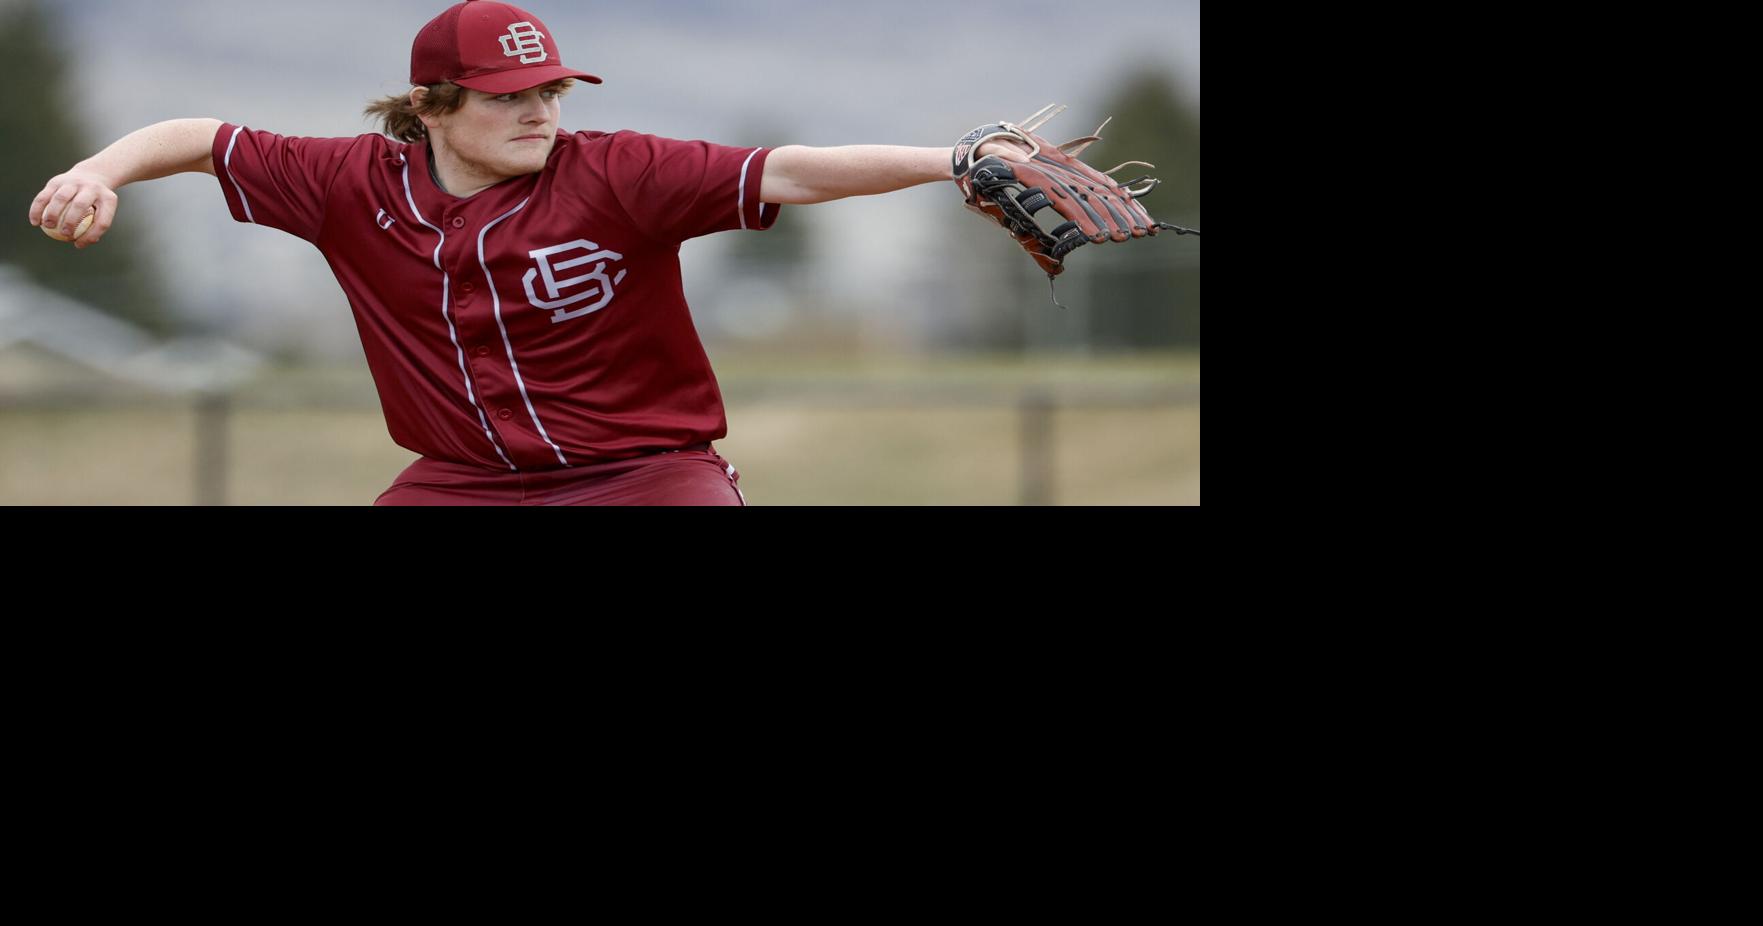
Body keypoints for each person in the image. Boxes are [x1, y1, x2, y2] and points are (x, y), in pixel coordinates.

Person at [26, 0, 1032, 506]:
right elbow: (202, 135)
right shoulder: (350, 184)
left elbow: (794, 171)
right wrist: (100, 171)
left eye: (550, 90)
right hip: (464, 480)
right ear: (431, 107)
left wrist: (953, 158)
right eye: (510, 97)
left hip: (644, 474)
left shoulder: (618, 171)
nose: (539, 111)